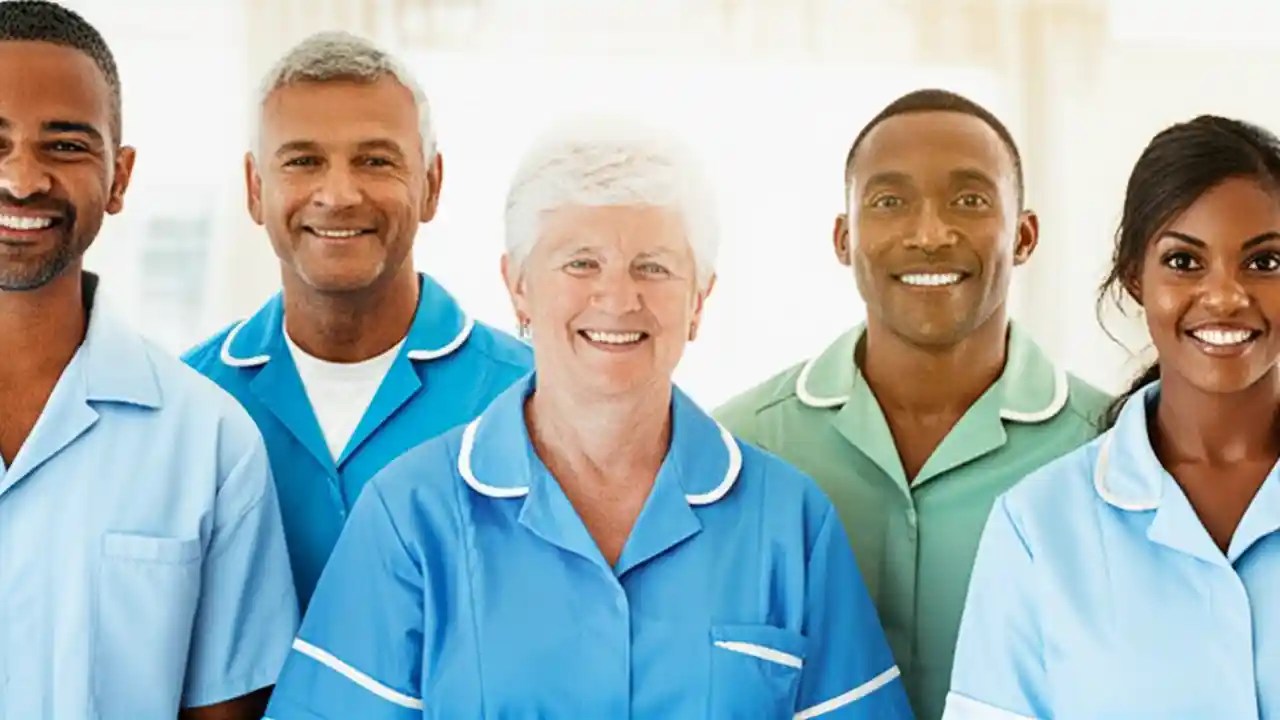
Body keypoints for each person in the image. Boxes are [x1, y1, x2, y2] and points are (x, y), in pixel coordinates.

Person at [263, 118, 913, 719]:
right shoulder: (411, 517)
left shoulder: (789, 522)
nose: (617, 297)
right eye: (581, 263)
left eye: (653, 268)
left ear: (699, 298)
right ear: (518, 285)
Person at [714, 89, 1110, 719]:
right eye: (889, 202)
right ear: (845, 238)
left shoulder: (1112, 451)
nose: (929, 234)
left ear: (1026, 235)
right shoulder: (741, 447)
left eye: (970, 200)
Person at [0, 2, 297, 718]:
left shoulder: (208, 442)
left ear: (120, 176)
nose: (22, 179)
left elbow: (228, 708)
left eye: (65, 146)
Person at [946, 115, 1280, 719]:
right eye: (1184, 262)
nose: (1227, 295)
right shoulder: (1038, 524)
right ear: (1134, 277)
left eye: (1265, 263)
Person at [185, 32, 532, 609]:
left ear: (431, 185)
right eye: (302, 161)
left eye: (375, 161)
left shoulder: (533, 400)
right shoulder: (190, 402)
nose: (339, 194)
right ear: (254, 189)